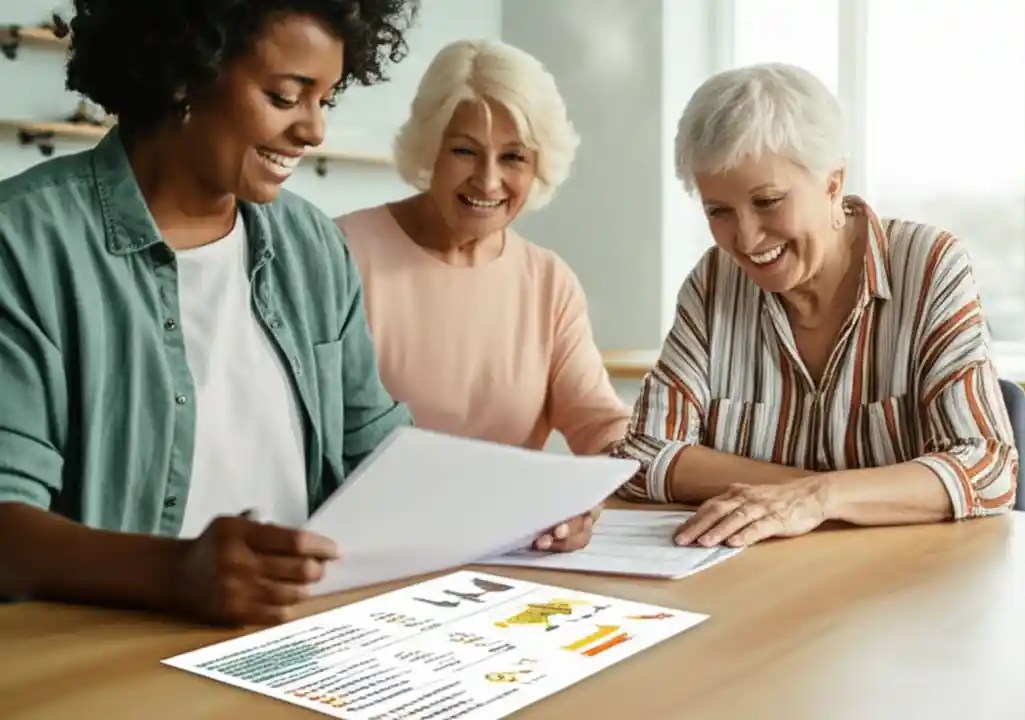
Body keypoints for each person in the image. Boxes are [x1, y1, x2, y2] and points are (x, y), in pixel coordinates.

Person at [0, 0, 418, 625]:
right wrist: (174, 572)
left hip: (296, 638)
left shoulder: (312, 246)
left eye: (324, 101)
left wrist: (517, 510)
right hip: (103, 655)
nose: (313, 131)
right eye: (285, 97)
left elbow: (375, 452)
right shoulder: (26, 241)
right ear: (183, 76)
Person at [614, 63, 1018, 547]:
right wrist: (795, 494)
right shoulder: (713, 282)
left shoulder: (928, 265)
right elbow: (642, 456)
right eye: (719, 211)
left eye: (767, 201)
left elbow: (985, 467)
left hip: (903, 585)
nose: (745, 238)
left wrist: (818, 498)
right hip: (756, 582)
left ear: (832, 184)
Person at [335, 39, 630, 552]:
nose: (488, 180)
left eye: (513, 156)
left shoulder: (548, 281)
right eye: (465, 151)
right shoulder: (338, 252)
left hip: (505, 557)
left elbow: (603, 428)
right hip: (362, 551)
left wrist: (586, 502)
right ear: (431, 146)